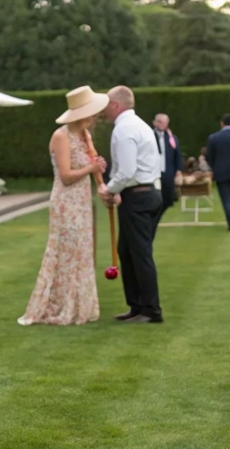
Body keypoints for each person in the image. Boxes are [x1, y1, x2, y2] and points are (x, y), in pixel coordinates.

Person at [18, 86, 107, 326]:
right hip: (66, 201)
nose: (94, 117)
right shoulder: (61, 136)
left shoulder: (84, 135)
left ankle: (81, 305)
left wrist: (98, 173)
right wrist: (92, 168)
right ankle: (59, 306)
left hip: (82, 201)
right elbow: (66, 175)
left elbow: (91, 165)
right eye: (90, 113)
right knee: (66, 252)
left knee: (82, 251)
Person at [98, 86, 163, 324]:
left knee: (140, 253)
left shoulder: (124, 130)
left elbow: (126, 171)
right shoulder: (140, 125)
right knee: (126, 251)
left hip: (138, 196)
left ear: (115, 105)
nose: (103, 110)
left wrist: (109, 189)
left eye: (106, 104)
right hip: (144, 194)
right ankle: (136, 306)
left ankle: (151, 310)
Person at [153, 113, 182, 224]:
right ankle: (153, 218)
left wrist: (178, 171)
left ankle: (157, 217)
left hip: (167, 173)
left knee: (167, 199)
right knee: (155, 198)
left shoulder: (171, 138)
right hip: (154, 174)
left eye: (164, 122)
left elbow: (177, 155)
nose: (161, 124)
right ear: (155, 122)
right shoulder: (149, 135)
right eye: (159, 122)